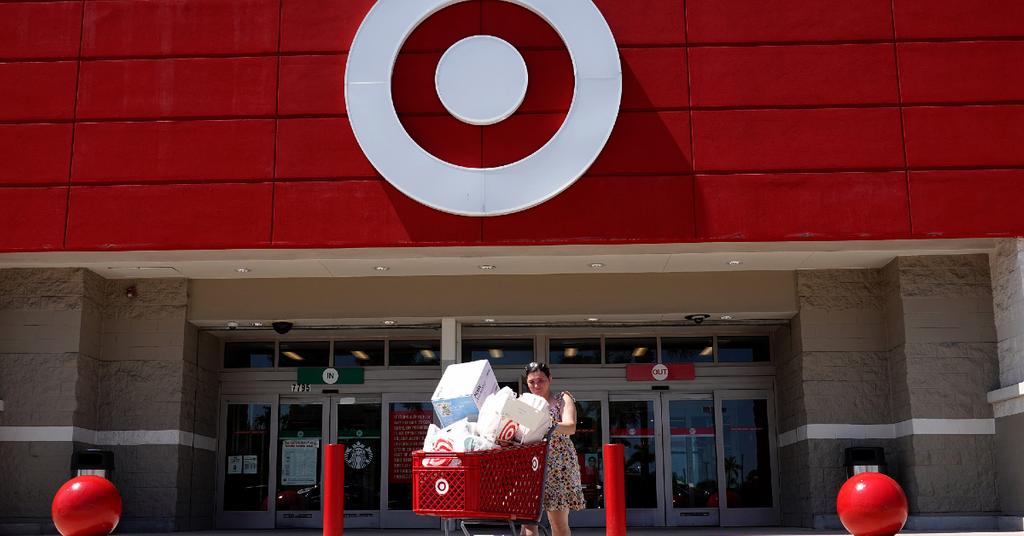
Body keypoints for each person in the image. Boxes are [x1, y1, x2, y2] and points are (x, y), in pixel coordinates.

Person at [521, 362, 585, 536]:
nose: (536, 385)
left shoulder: (562, 398)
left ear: (550, 379)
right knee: (527, 522)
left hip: (559, 466)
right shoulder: (524, 403)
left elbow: (570, 427)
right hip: (531, 464)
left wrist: (544, 422)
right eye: (531, 382)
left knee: (557, 523)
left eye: (540, 380)